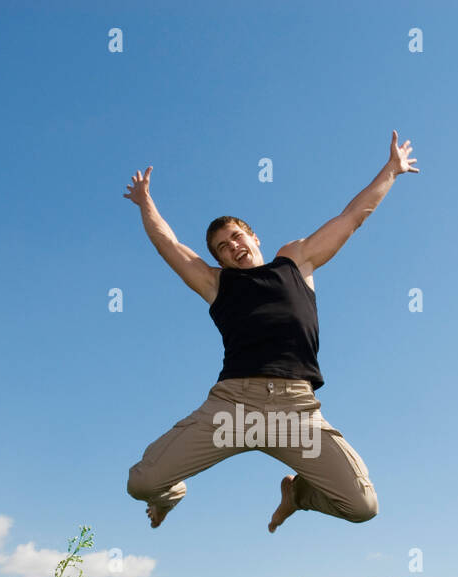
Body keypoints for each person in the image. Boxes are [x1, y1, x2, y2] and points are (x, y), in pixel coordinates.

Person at [123, 130, 419, 532]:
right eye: (223, 247)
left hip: (294, 413)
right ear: (221, 261)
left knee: (362, 505)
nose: (233, 246)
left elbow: (352, 218)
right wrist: (145, 202)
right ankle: (170, 494)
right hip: (232, 409)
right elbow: (169, 244)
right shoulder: (217, 284)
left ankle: (298, 495)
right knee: (141, 482)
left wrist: (392, 170)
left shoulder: (295, 260)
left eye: (236, 236)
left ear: (253, 237)